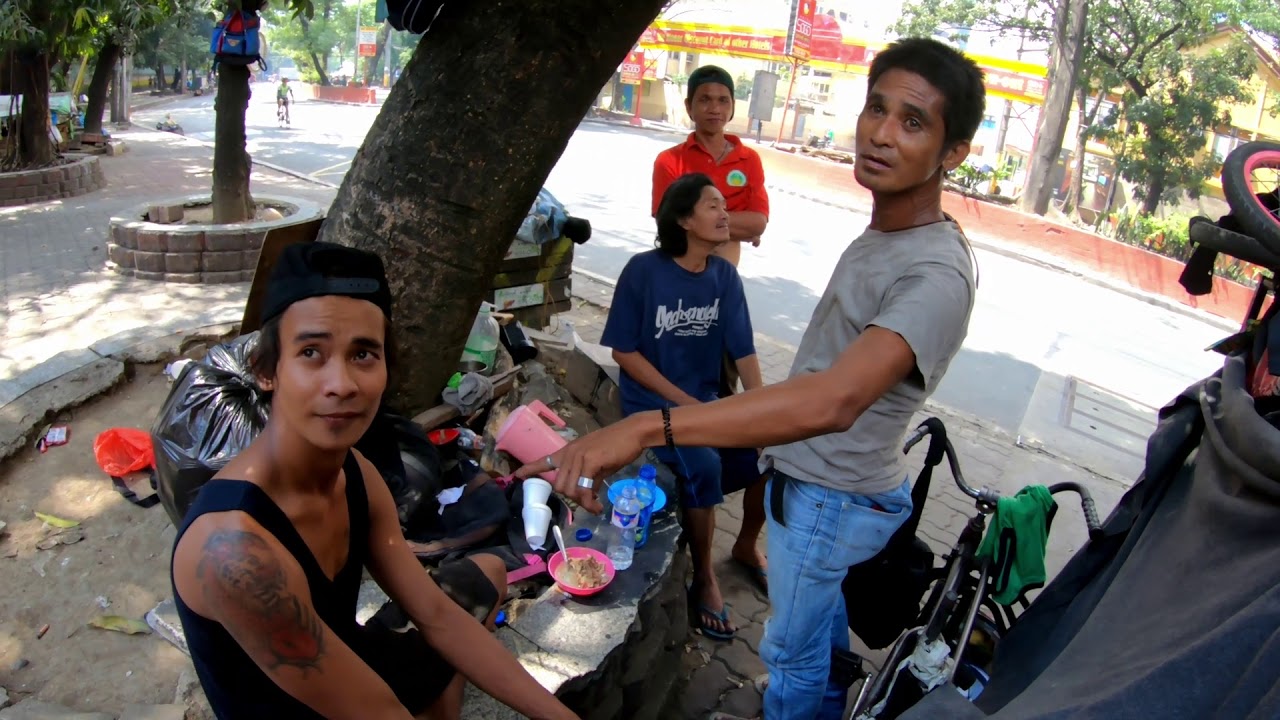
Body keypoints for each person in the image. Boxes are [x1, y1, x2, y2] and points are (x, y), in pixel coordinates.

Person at [517, 37, 984, 720]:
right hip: (813, 480)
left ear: (953, 152)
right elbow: (651, 357)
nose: (882, 133)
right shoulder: (886, 236)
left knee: (791, 655)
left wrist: (647, 426)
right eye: (876, 109)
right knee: (814, 641)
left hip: (830, 496)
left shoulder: (935, 272)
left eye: (912, 122)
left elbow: (832, 398)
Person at [170, 242, 578, 720]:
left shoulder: (354, 474)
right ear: (266, 371)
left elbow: (437, 615)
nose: (342, 383)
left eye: (363, 354)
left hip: (349, 663)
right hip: (316, 706)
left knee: (484, 574)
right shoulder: (234, 551)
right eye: (311, 353)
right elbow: (377, 712)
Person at [603, 172, 763, 640]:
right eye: (713, 206)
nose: (725, 214)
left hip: (703, 401)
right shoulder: (643, 271)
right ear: (684, 219)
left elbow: (744, 349)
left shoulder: (724, 276)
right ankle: (705, 578)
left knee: (771, 455)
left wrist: (763, 411)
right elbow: (623, 352)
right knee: (703, 464)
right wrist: (688, 405)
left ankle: (746, 546)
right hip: (652, 404)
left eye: (724, 205)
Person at [652, 64, 772, 594]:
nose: (714, 108)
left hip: (721, 305)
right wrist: (732, 226)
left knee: (762, 438)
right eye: (705, 99)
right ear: (690, 106)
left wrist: (763, 412)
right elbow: (664, 219)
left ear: (732, 107)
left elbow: (760, 222)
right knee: (693, 429)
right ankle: (697, 557)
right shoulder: (671, 160)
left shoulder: (748, 159)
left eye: (723, 99)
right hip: (679, 307)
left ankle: (745, 544)